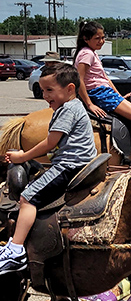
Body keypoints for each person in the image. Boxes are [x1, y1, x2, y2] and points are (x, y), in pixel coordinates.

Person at [0, 63, 97, 274]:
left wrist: (22, 156)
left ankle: (15, 250)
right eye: (43, 90)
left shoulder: (67, 110)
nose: (45, 95)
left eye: (49, 90)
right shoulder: (74, 106)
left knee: (27, 198)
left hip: (69, 166)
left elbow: (50, 143)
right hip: (79, 161)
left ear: (70, 89)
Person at [73, 21, 131, 167]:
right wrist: (89, 104)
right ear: (86, 39)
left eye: (103, 37)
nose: (102, 41)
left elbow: (105, 79)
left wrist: (119, 96)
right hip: (100, 94)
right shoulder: (87, 54)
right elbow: (78, 79)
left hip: (105, 91)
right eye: (97, 38)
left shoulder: (91, 53)